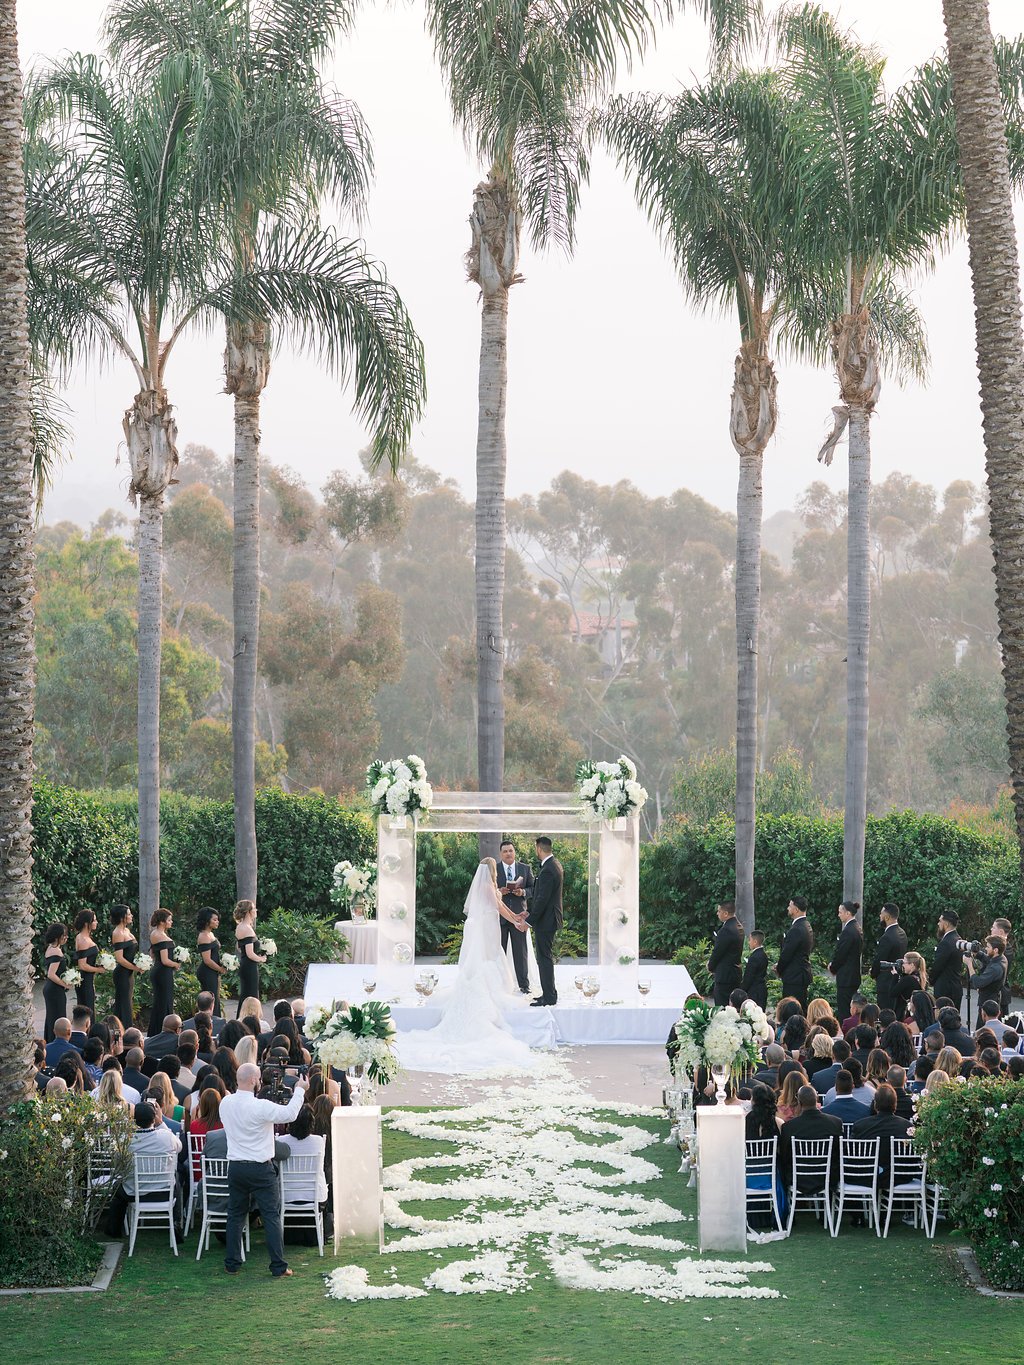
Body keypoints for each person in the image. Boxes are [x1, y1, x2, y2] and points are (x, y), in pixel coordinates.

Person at [399, 860, 548, 1073]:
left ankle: (491, 987)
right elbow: (499, 907)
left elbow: (502, 906)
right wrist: (515, 920)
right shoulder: (488, 887)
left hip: (488, 926)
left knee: (492, 957)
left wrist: (516, 917)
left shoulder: (490, 887)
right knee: (487, 959)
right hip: (486, 928)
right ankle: (487, 991)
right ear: (492, 871)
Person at [219, 1061, 308, 1277]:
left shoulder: (226, 1103)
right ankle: (278, 1266)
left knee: (235, 1215)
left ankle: (232, 1263)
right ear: (252, 1080)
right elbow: (290, 1115)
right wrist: (299, 1090)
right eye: (258, 1078)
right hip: (259, 1168)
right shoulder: (260, 1106)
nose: (260, 1082)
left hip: (237, 1167)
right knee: (270, 1216)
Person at [779, 1085, 842, 1196]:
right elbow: (839, 1153)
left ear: (799, 1102)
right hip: (826, 1177)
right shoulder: (835, 1123)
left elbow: (785, 1156)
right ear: (816, 1099)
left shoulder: (789, 1127)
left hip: (798, 1178)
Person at [528, 837, 563, 1007]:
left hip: (546, 921)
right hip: (549, 919)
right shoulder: (554, 864)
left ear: (539, 849)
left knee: (544, 958)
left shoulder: (548, 869)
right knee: (544, 957)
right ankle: (549, 993)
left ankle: (549, 997)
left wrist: (528, 920)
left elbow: (542, 899)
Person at [497, 838, 535, 995]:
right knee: (499, 953)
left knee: (521, 952)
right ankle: (499, 984)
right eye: (505, 851)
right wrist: (499, 891)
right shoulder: (495, 869)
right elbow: (488, 890)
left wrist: (523, 892)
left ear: (514, 852)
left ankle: (524, 985)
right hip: (499, 918)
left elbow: (534, 888)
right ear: (500, 854)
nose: (508, 853)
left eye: (510, 850)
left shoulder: (525, 868)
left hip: (519, 917)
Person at [850, 1083, 910, 1183]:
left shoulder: (861, 1125)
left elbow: (852, 1154)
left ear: (875, 1104)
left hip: (866, 1176)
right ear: (895, 1104)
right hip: (899, 1177)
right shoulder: (907, 1127)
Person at [775, 897, 813, 1010]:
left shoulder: (797, 929)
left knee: (792, 1010)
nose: (787, 908)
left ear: (796, 909)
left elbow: (787, 954)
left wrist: (778, 969)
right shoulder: (806, 925)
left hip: (794, 977)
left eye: (790, 906)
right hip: (799, 975)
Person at [829, 901, 863, 1023]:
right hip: (852, 976)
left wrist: (833, 967)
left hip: (846, 978)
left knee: (845, 1012)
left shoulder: (849, 931)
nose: (839, 915)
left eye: (840, 912)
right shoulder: (856, 928)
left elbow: (841, 954)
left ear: (848, 913)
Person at [148, 910, 181, 1037]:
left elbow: (152, 953)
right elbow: (165, 960)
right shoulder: (160, 935)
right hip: (162, 972)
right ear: (162, 921)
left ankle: (157, 1031)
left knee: (162, 1001)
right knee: (163, 1002)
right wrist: (176, 964)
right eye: (169, 920)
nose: (171, 922)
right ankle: (162, 1033)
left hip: (160, 971)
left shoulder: (156, 933)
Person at [870, 904, 908, 1014]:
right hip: (898, 981)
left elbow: (879, 960)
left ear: (887, 917)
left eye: (881, 914)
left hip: (886, 983)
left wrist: (873, 973)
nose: (880, 916)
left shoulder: (886, 937)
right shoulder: (902, 933)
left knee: (885, 1014)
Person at [110, 904, 141, 1029]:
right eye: (128, 914)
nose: (131, 916)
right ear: (122, 917)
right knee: (123, 1004)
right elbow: (120, 958)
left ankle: (127, 1031)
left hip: (129, 973)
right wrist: (136, 968)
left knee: (128, 1002)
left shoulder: (127, 930)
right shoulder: (117, 932)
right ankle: (122, 1031)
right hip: (122, 973)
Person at [707, 901, 744, 1006]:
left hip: (725, 975)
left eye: (719, 911)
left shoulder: (726, 930)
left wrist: (710, 966)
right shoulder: (739, 926)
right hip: (735, 972)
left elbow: (718, 952)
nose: (717, 913)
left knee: (722, 1006)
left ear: (726, 913)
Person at [234, 900, 266, 1018]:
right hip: (249, 966)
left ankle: (242, 1019)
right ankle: (251, 1020)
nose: (256, 911)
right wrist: (261, 958)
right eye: (254, 909)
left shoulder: (240, 927)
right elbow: (250, 953)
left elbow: (238, 947)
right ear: (248, 912)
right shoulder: (246, 928)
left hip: (246, 965)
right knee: (251, 995)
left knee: (246, 995)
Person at [966, 937, 1008, 1027]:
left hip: (988, 1004)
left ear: (995, 950)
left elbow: (978, 982)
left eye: (988, 947)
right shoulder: (1001, 958)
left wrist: (969, 964)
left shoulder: (996, 968)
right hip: (992, 999)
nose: (985, 949)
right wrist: (977, 953)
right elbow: (987, 959)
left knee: (983, 1031)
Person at [931, 910, 965, 1012]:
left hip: (945, 989)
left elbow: (938, 966)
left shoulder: (946, 942)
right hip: (955, 987)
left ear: (946, 924)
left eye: (940, 921)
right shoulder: (958, 939)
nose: (938, 924)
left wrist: (931, 980)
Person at [42, 923, 71, 1043]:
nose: (66, 937)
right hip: (54, 990)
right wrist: (65, 984)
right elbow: (51, 974)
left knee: (51, 1017)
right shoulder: (56, 952)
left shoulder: (50, 948)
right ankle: (56, 1042)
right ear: (57, 937)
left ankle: (49, 1041)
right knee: (58, 1017)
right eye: (64, 935)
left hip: (50, 989)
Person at [72, 909, 105, 1015]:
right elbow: (82, 965)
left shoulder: (83, 937)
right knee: (87, 1010)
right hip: (85, 980)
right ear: (87, 923)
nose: (96, 922)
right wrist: (99, 969)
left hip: (88, 979)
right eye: (94, 920)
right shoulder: (83, 939)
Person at [196, 907, 227, 1020]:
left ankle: (215, 1022)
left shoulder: (210, 934)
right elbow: (207, 960)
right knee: (211, 1000)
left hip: (212, 972)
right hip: (207, 972)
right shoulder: (203, 936)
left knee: (215, 999)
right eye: (214, 920)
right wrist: (220, 969)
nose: (217, 922)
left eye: (217, 919)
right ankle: (210, 1022)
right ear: (207, 920)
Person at [741, 931, 769, 1008]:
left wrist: (742, 990)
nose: (749, 942)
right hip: (761, 989)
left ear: (755, 941)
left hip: (754, 992)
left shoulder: (754, 957)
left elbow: (749, 977)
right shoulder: (763, 954)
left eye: (750, 940)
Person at [991, 917, 1013, 1015]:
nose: (991, 929)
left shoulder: (1006, 950)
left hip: (1000, 994)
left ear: (1000, 931)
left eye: (993, 927)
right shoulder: (998, 946)